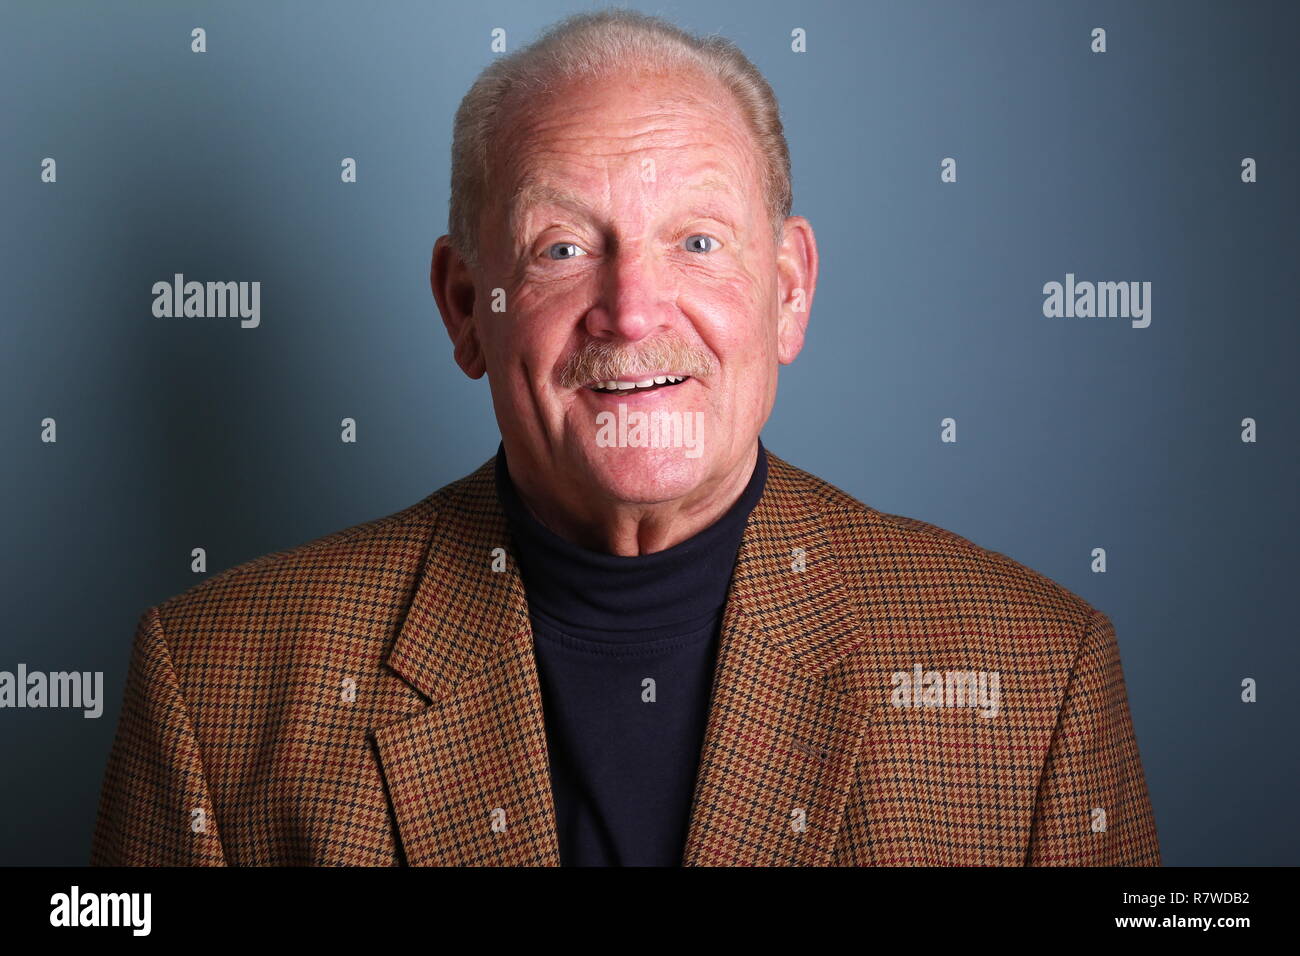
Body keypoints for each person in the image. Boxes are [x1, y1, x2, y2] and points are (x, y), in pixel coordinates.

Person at [91, 8, 1160, 866]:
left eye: (697, 240)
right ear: (466, 305)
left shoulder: (1035, 679)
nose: (632, 308)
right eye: (560, 247)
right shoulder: (215, 681)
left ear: (787, 293)